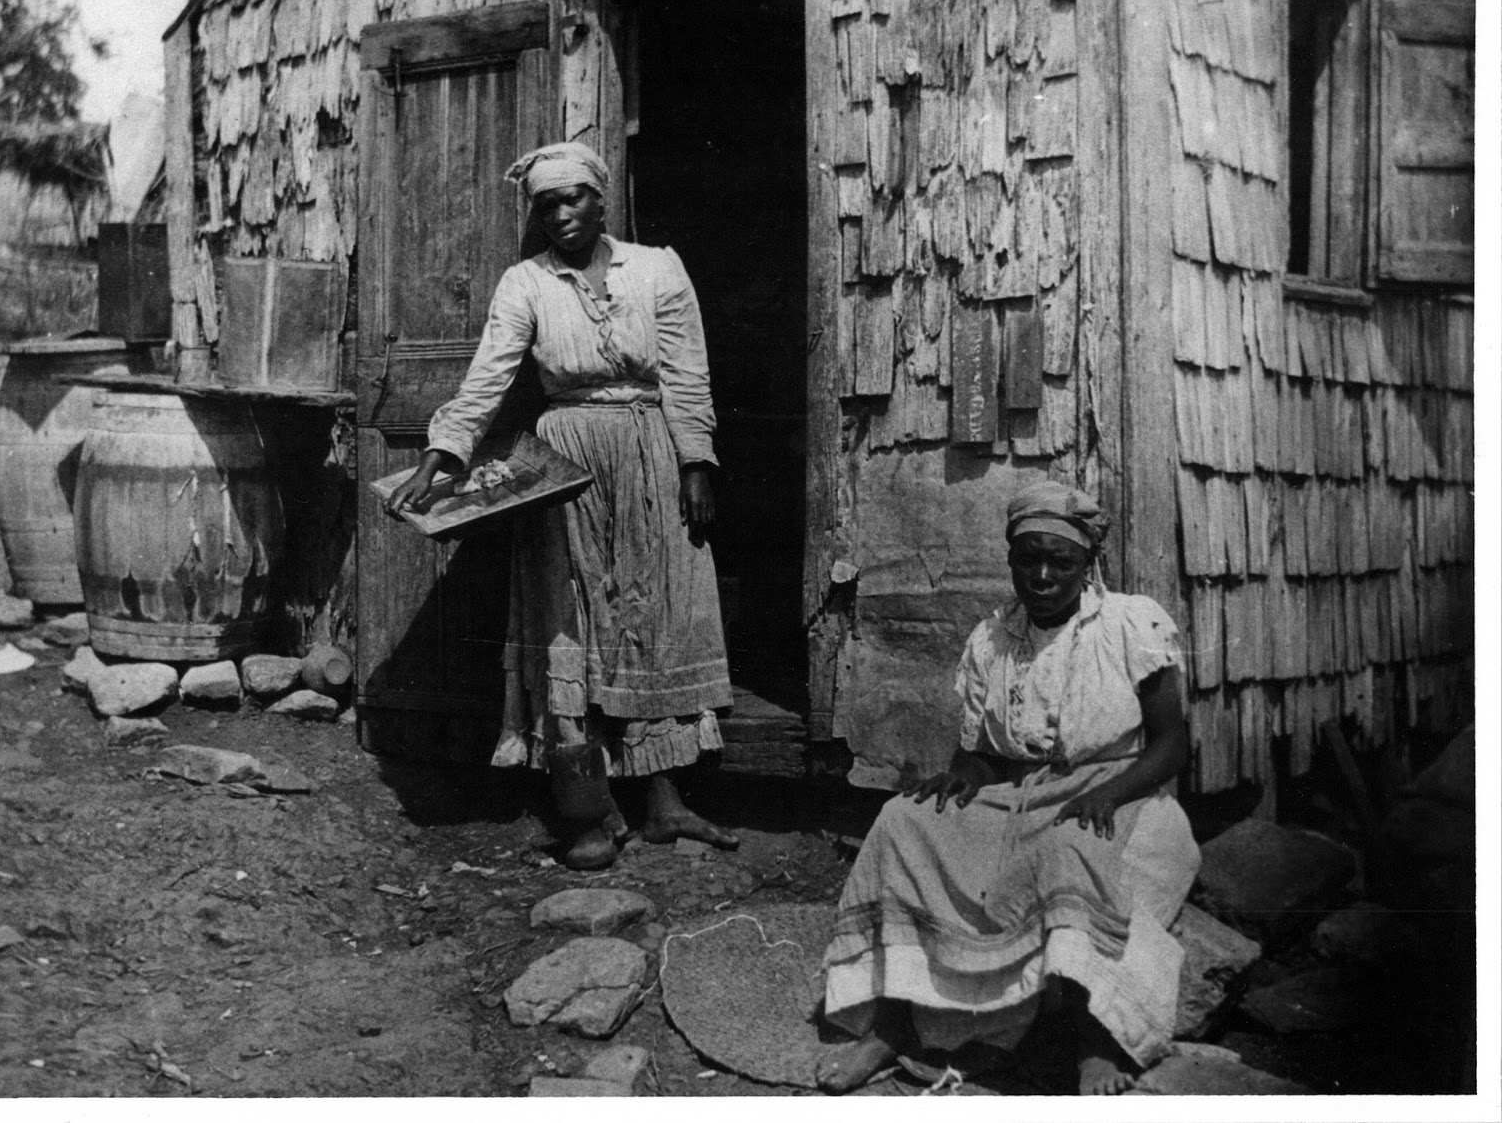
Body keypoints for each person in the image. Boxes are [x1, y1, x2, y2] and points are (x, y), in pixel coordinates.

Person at [386, 141, 738, 871]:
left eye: (572, 198)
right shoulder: (527, 284)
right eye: (546, 204)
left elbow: (686, 371)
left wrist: (697, 461)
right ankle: (591, 808)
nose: (560, 215)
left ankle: (666, 803)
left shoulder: (658, 269)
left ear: (600, 200)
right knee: (574, 619)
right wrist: (442, 452)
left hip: (650, 446)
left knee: (658, 614)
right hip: (568, 458)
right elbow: (487, 377)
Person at [816, 481, 1200, 1095]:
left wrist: (1110, 792)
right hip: (1018, 797)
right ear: (1011, 560)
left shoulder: (1130, 624)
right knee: (900, 820)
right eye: (1029, 559)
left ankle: (1094, 1039)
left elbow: (1172, 744)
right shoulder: (993, 640)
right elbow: (982, 756)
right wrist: (964, 776)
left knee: (1073, 848)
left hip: (1118, 792)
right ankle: (891, 1023)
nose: (1043, 575)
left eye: (1062, 562)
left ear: (1087, 564)